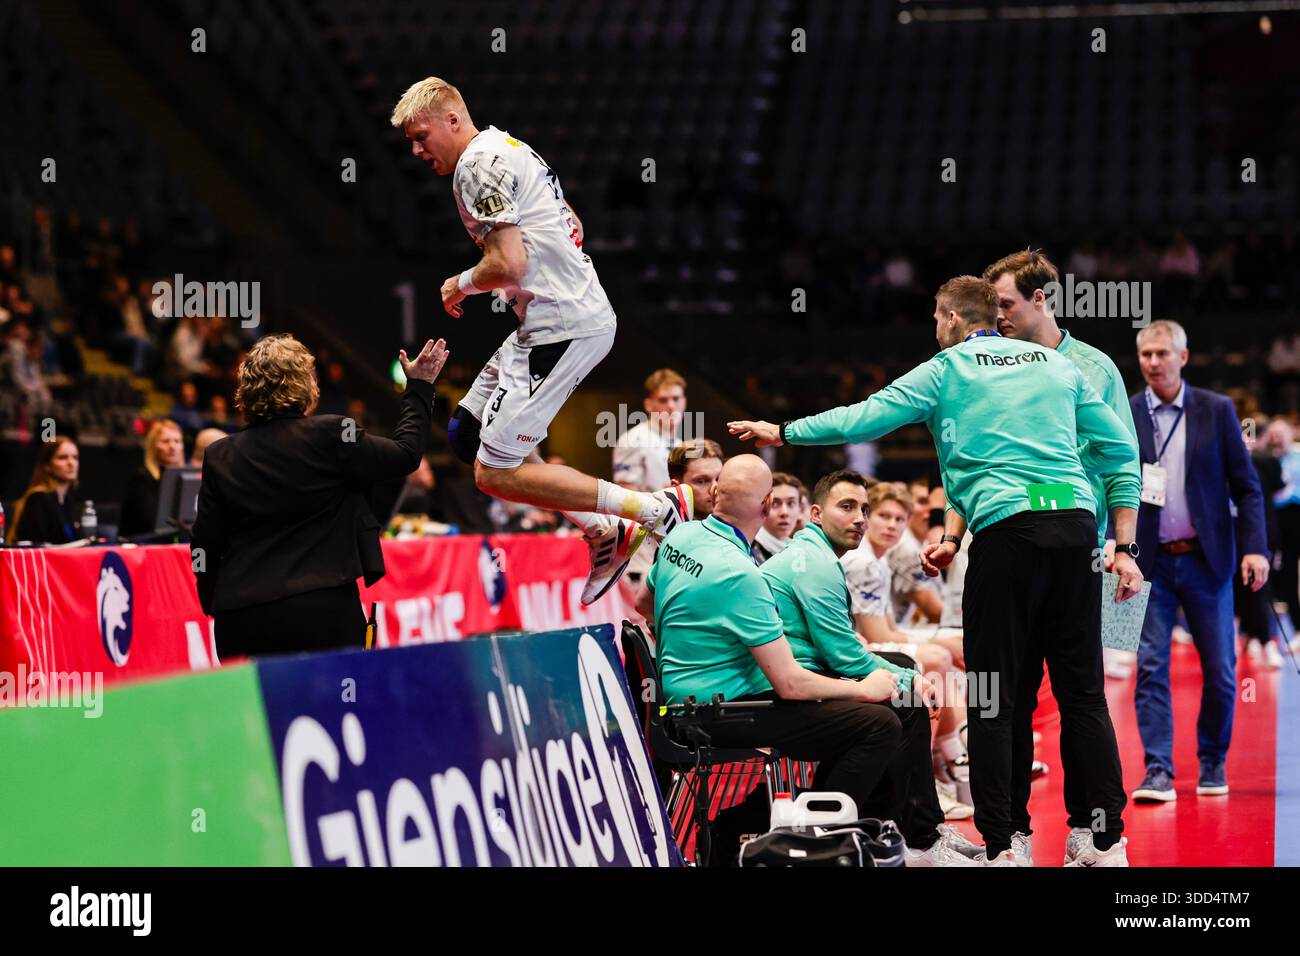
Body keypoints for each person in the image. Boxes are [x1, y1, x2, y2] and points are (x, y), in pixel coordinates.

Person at [729, 276, 1143, 866]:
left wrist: (784, 430)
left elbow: (863, 418)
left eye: (934, 318)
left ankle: (1007, 845)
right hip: (1075, 526)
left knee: (998, 698)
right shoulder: (1059, 368)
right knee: (1083, 694)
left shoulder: (947, 367)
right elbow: (1120, 453)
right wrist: (1123, 543)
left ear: (950, 318)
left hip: (1008, 533)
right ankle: (1104, 842)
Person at [390, 77, 691, 605]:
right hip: (543, 321)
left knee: (492, 472)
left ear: (453, 120)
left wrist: (459, 284)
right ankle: (604, 530)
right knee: (465, 434)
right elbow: (571, 222)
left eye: (420, 135)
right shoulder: (508, 145)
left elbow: (510, 261)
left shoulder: (474, 166)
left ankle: (649, 511)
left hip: (564, 326)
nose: (416, 151)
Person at [642, 455, 927, 861]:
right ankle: (811, 847)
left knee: (861, 711)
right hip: (717, 711)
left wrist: (696, 646)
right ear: (767, 504)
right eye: (848, 507)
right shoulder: (742, 575)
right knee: (877, 723)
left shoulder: (681, 538)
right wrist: (862, 688)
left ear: (716, 492)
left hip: (681, 702)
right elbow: (790, 684)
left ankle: (783, 826)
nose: (859, 518)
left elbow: (644, 602)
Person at [760, 470, 980, 863]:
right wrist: (908, 675)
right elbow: (845, 654)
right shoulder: (818, 562)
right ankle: (914, 826)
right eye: (847, 507)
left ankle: (912, 824)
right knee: (907, 689)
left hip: (804, 672)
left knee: (907, 675)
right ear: (815, 514)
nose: (861, 517)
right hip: (785, 687)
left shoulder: (824, 556)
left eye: (865, 508)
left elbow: (853, 643)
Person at [189, 334, 448, 660]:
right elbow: (406, 454)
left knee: (258, 712)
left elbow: (204, 543)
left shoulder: (219, 454)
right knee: (334, 708)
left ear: (246, 389)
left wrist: (214, 600)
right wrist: (420, 387)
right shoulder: (333, 433)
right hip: (322, 610)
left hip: (242, 616)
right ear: (306, 385)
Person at [983, 248, 1143, 682]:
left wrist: (1125, 550)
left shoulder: (1097, 369)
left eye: (1005, 304)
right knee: (1014, 689)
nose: (997, 317)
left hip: (1079, 547)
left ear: (1039, 298)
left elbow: (1124, 467)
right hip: (1011, 542)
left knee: (1084, 690)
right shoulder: (990, 368)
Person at [1128, 320, 1269, 804]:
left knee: (1222, 669)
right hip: (1148, 565)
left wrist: (1255, 548)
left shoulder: (1217, 409)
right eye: (1146, 354)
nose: (1153, 362)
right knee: (1149, 666)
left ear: (1183, 358)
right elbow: (1112, 487)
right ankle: (1158, 770)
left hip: (1208, 561)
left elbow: (1247, 488)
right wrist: (1112, 544)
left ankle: (1212, 760)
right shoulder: (1125, 413)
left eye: (1162, 353)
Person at [5, 436, 83, 544]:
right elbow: (38, 545)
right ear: (47, 465)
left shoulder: (67, 501)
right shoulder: (39, 498)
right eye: (63, 457)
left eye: (75, 457)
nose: (71, 463)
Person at [118, 418, 185, 537]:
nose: (172, 446)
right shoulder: (141, 479)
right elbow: (151, 521)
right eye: (165, 441)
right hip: (142, 544)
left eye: (177, 441)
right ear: (154, 446)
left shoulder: (185, 479)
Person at [751, 471, 804, 564]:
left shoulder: (802, 551)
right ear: (762, 507)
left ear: (800, 509)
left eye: (791, 503)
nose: (784, 512)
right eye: (775, 503)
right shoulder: (749, 552)